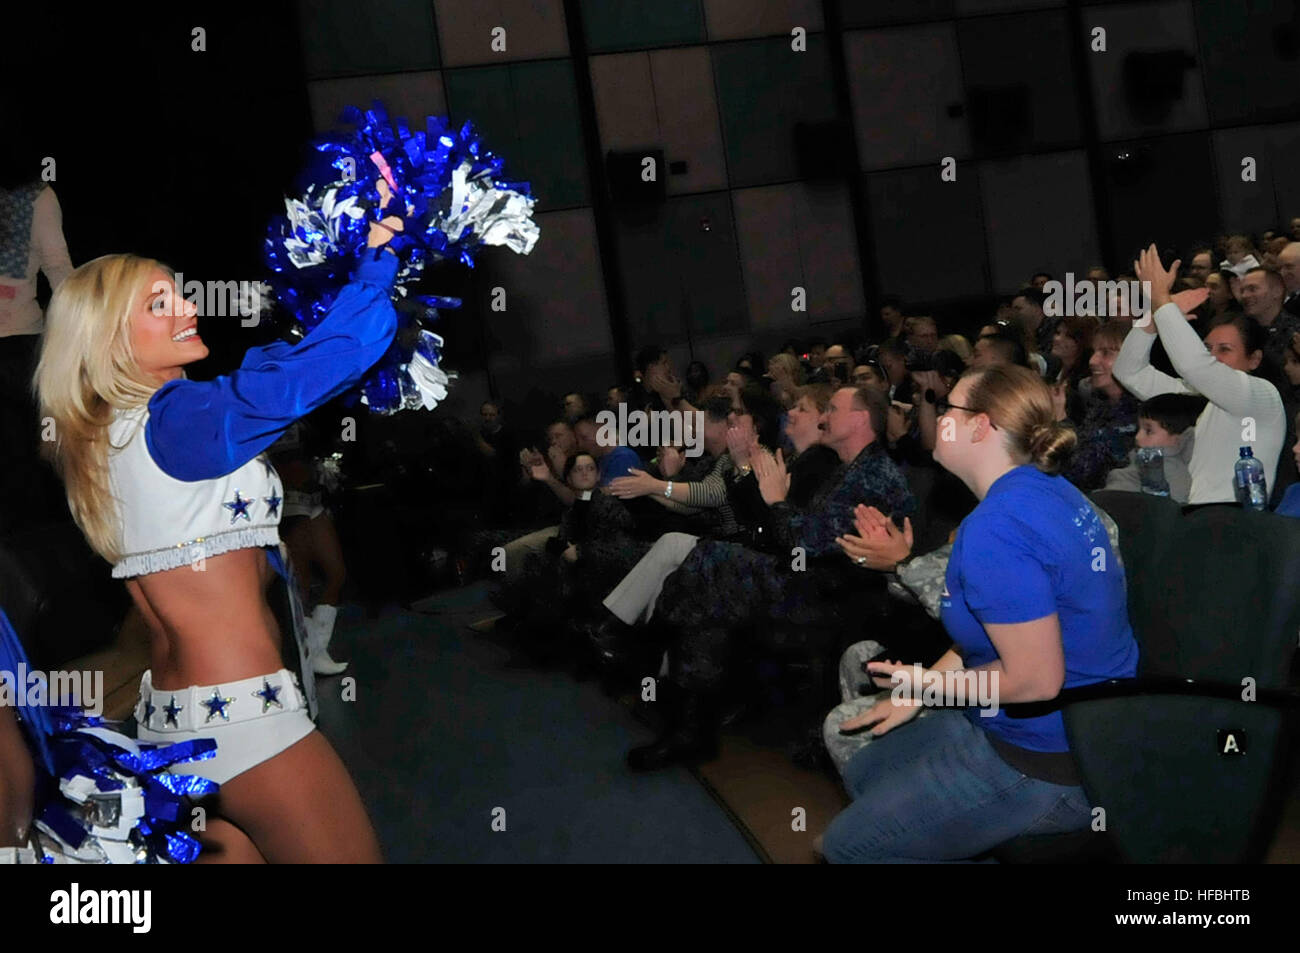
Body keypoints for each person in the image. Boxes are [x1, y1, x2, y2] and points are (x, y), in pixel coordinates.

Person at [31, 183, 407, 863]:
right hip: (251, 724)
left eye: (178, 292)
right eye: (159, 303)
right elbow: (314, 368)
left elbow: (270, 377)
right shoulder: (177, 421)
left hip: (169, 724)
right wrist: (380, 258)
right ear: (110, 339)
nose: (188, 306)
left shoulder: (98, 440)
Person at [819, 364, 1138, 862]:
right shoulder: (1049, 488)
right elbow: (997, 636)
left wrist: (929, 685)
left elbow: (1035, 681)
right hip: (1078, 732)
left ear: (981, 425)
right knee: (867, 772)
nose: (939, 417)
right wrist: (920, 689)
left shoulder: (996, 528)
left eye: (950, 409)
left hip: (1048, 760)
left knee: (844, 847)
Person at [1114, 246, 1287, 504]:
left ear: (1254, 359)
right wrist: (1152, 318)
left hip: (1235, 527)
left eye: (1225, 349)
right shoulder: (1195, 395)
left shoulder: (1262, 395)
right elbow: (1128, 371)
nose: (1213, 356)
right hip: (1189, 521)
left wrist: (1162, 301)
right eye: (1208, 348)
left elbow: (1195, 365)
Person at [1102, 393, 1204, 503]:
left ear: (1181, 439)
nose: (1137, 437)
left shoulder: (1169, 472)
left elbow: (1166, 508)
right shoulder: (1141, 461)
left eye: (1148, 431)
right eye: (1139, 428)